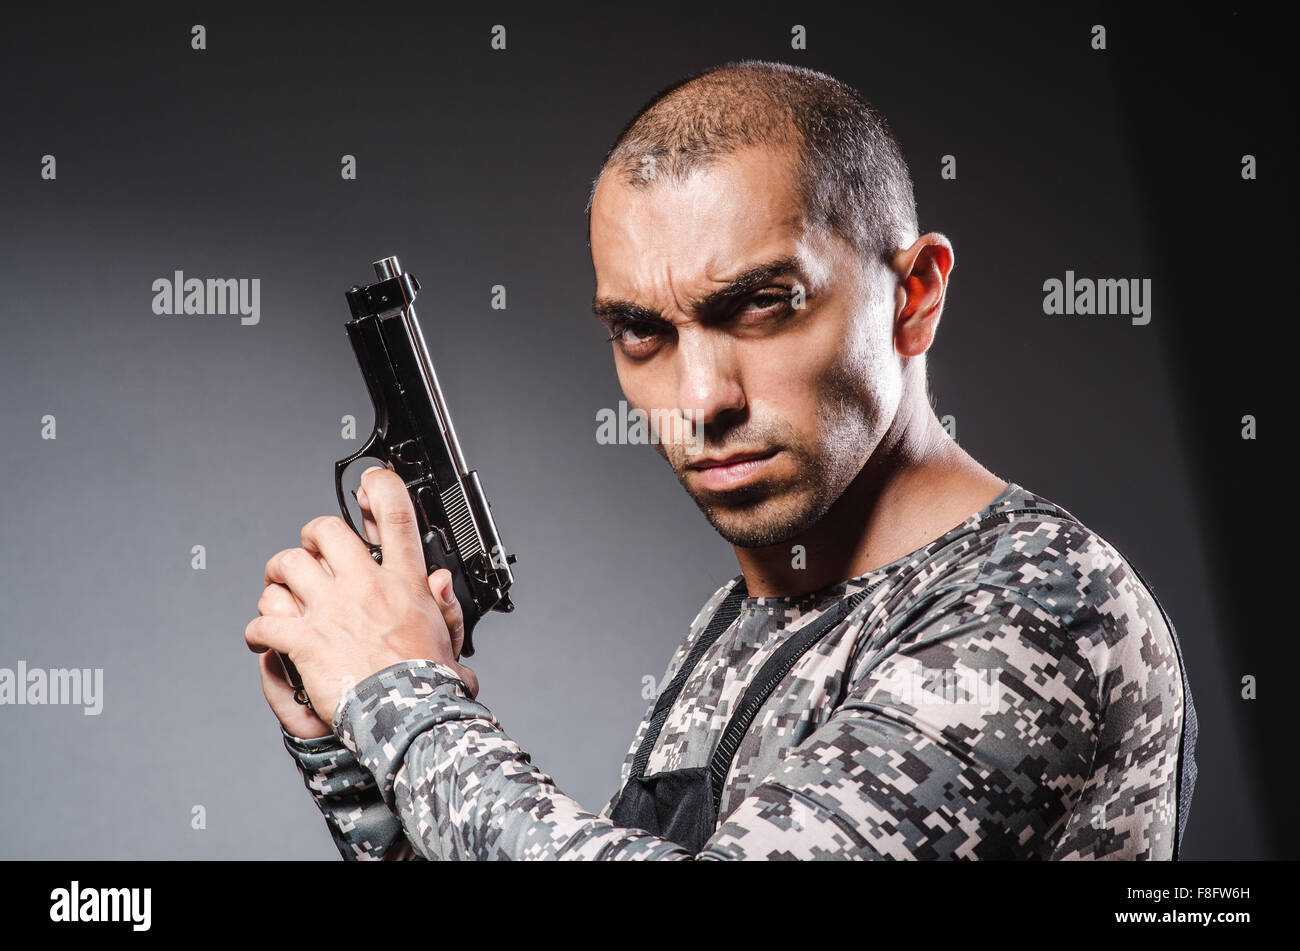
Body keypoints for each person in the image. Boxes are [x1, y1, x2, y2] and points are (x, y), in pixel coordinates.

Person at [245, 60, 1196, 860]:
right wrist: (353, 750)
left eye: (760, 304)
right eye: (640, 331)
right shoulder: (760, 608)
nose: (701, 403)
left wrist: (402, 695)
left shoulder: (1038, 604)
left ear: (913, 297)